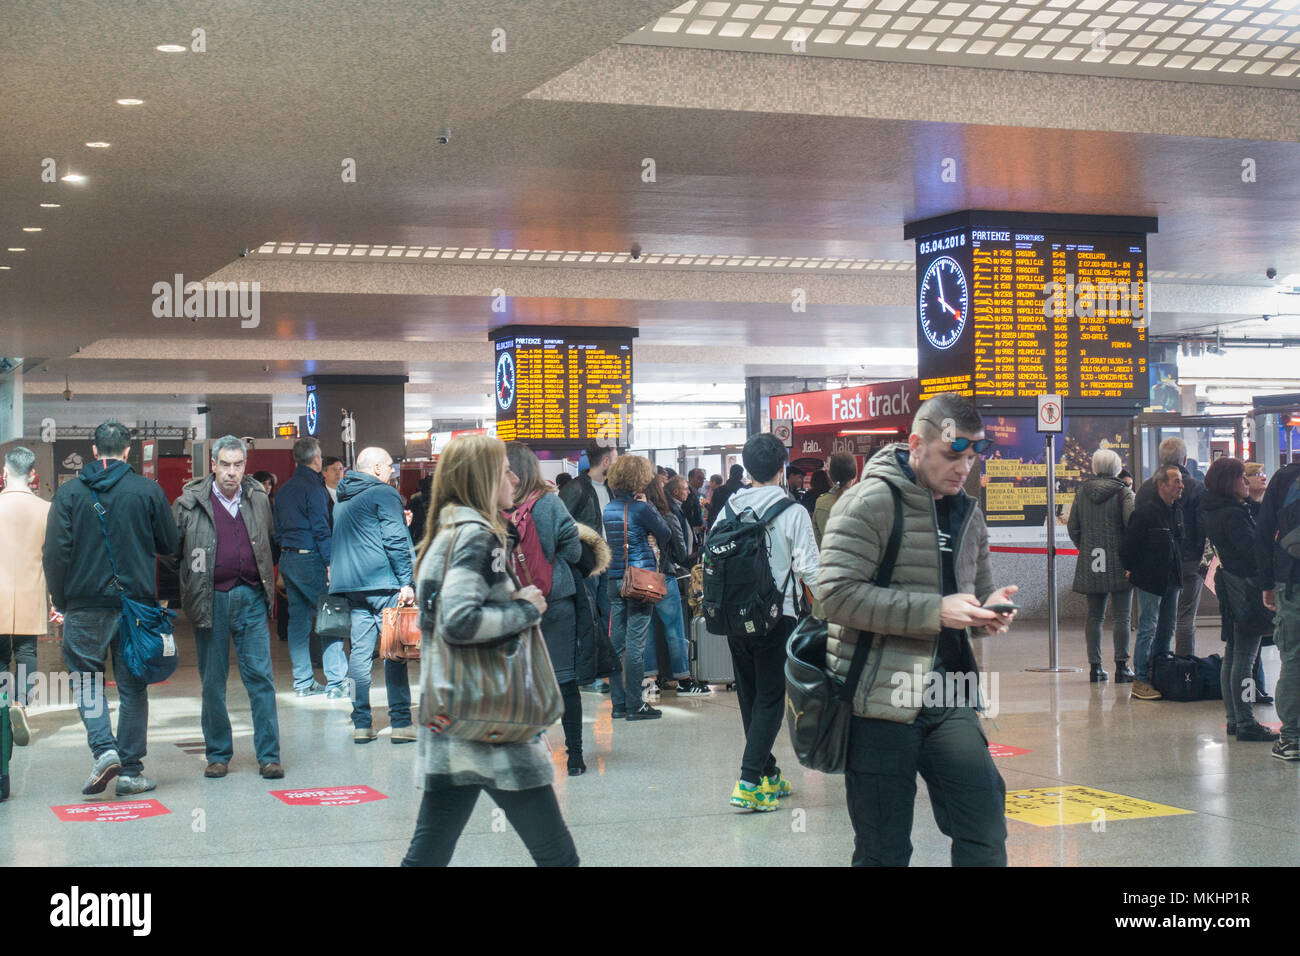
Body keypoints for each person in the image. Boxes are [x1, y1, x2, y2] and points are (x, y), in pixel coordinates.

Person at [816, 394, 1018, 866]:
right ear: (916, 444)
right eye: (953, 454)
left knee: (985, 824)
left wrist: (989, 612)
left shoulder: (967, 512)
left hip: (950, 695)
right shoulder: (869, 501)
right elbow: (834, 596)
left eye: (972, 456)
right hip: (878, 701)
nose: (964, 467)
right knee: (884, 848)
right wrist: (936, 611)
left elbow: (978, 589)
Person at [402, 434, 578, 866]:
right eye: (503, 470)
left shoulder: (443, 535)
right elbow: (458, 620)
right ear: (482, 479)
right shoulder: (478, 538)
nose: (513, 478)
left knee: (428, 852)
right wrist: (523, 609)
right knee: (557, 856)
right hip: (497, 723)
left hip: (453, 718)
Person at [44, 420, 180, 796]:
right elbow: (170, 544)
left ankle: (104, 749)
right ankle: (131, 771)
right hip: (135, 606)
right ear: (126, 452)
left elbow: (55, 553)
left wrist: (60, 599)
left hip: (84, 605)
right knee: (133, 686)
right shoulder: (147, 491)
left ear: (93, 451)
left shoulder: (69, 493)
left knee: (86, 681)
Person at [714, 433, 819, 810]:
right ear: (781, 468)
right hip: (778, 619)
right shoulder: (793, 512)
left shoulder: (728, 508)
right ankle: (747, 782)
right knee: (771, 700)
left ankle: (768, 774)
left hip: (734, 618)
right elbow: (810, 569)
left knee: (751, 697)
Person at [170, 436, 284, 778]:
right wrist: (195, 575)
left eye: (237, 465)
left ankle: (269, 756)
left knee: (261, 678)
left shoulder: (259, 499)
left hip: (250, 597)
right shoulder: (189, 502)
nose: (231, 472)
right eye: (225, 465)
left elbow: (270, 542)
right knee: (213, 682)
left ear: (244, 466)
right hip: (211, 599)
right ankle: (218, 754)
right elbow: (170, 551)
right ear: (213, 465)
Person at [505, 442, 586, 774]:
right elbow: (576, 550)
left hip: (514, 605)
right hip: (556, 601)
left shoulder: (497, 508)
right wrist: (551, 567)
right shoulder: (549, 503)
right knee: (565, 680)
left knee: (523, 683)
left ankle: (527, 754)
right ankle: (576, 756)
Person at [330, 447, 416, 743]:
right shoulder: (384, 493)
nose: (393, 471)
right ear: (378, 468)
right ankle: (402, 722)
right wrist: (407, 581)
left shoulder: (342, 496)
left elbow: (364, 532)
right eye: (391, 465)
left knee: (358, 658)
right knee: (394, 653)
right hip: (382, 583)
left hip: (351, 586)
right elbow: (393, 540)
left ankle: (361, 723)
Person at [1201, 457, 1278, 742]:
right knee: (1245, 657)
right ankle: (1246, 721)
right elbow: (1252, 549)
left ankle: (1235, 718)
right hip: (1246, 589)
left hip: (1231, 586)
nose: (1247, 482)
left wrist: (1255, 501)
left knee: (1233, 655)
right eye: (1241, 478)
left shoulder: (1219, 509)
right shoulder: (1232, 514)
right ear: (1227, 482)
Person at [602, 454, 675, 720]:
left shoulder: (609, 508)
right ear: (639, 479)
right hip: (639, 581)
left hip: (614, 580)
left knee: (617, 643)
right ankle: (636, 705)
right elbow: (665, 534)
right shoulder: (641, 508)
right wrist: (649, 506)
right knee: (636, 644)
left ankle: (619, 704)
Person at [274, 437, 346, 698]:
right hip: (311, 558)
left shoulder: (284, 489)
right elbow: (320, 528)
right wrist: (329, 563)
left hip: (288, 559)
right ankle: (337, 683)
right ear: (317, 459)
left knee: (298, 622)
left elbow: (277, 531)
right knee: (331, 617)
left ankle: (303, 682)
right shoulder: (314, 488)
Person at [1067, 448, 1135, 683]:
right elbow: (1131, 524)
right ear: (1117, 468)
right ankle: (1122, 667)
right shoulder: (1123, 493)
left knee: (1094, 617)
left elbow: (1073, 527)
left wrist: (1084, 547)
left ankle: (1095, 668)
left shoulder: (1081, 492)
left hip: (1091, 560)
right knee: (1122, 618)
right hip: (1119, 561)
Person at [1136, 437, 1205, 656]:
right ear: (1184, 458)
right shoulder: (1196, 486)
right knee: (1184, 617)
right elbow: (1203, 525)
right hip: (1189, 560)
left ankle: (1152, 666)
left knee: (1153, 619)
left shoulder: (1146, 487)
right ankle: (1184, 667)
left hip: (1155, 561)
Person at [1122, 464, 1185, 701]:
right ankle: (1140, 679)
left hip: (1171, 580)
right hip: (1150, 580)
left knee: (1167, 629)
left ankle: (1160, 673)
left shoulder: (1176, 510)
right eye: (1176, 481)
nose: (1181, 486)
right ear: (1162, 485)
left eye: (1180, 481)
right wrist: (1132, 569)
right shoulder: (1146, 513)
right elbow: (1129, 547)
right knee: (1148, 627)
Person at [0, 447, 49, 747]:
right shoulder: (46, 508)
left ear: (4, 471)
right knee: (27, 652)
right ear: (33, 474)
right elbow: (54, 555)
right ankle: (21, 705)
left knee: (0, 657)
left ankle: (3, 709)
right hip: (31, 587)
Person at [642, 477, 708, 695]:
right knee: (674, 630)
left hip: (641, 577)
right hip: (664, 575)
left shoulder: (634, 515)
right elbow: (681, 553)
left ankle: (650, 681)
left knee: (648, 631)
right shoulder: (667, 516)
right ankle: (684, 679)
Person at [560, 442, 617, 693]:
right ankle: (586, 674)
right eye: (614, 459)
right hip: (586, 564)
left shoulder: (611, 489)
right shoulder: (575, 488)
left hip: (608, 562)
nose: (617, 464)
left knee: (604, 617)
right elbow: (563, 526)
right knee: (588, 619)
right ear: (605, 462)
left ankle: (596, 669)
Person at [1255, 459, 1300, 761]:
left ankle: (1292, 738)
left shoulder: (1285, 478)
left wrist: (1266, 583)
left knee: (1294, 658)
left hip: (1291, 580)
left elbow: (1263, 532)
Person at [812, 452, 858, 547]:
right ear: (855, 476)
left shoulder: (821, 502)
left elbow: (816, 539)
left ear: (830, 475)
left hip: (828, 559)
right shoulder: (862, 501)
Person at [707, 464, 746, 529]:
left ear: (730, 475)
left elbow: (713, 512)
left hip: (721, 528)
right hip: (740, 528)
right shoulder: (745, 491)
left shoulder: (719, 490)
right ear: (741, 477)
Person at [682, 468, 706, 542]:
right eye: (699, 478)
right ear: (690, 478)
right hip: (691, 531)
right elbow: (687, 513)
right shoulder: (688, 493)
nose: (702, 481)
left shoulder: (696, 493)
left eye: (703, 479)